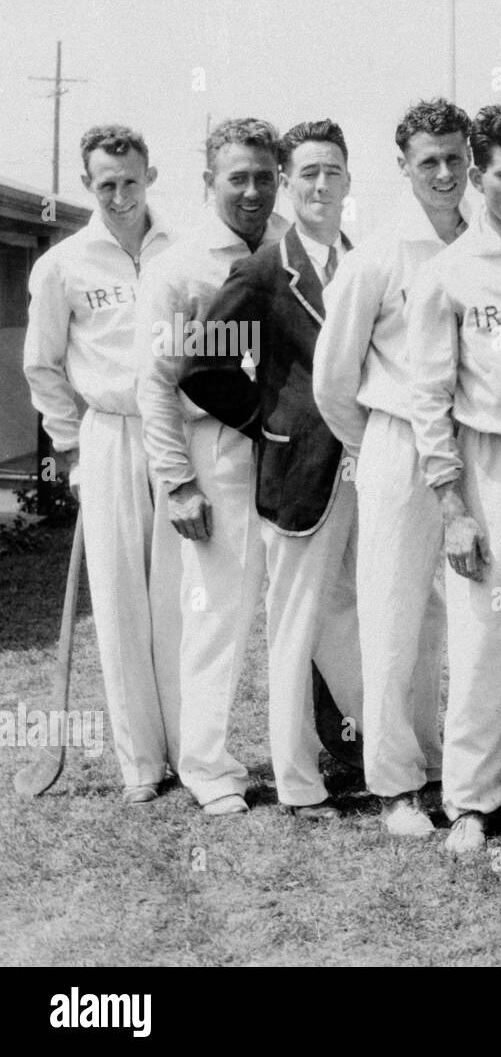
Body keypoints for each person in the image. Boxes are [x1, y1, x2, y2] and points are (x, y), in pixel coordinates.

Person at [178, 119, 362, 821]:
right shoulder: (262, 269)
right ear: (291, 180)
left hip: (362, 467)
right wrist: (268, 422)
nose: (320, 185)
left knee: (351, 618)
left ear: (349, 180)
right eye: (307, 172)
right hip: (297, 470)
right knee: (295, 626)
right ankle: (297, 781)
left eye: (333, 172)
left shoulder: (361, 258)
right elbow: (201, 367)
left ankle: (385, 746)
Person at [314, 99, 475, 837]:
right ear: (403, 167)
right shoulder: (377, 255)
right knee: (391, 614)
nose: (444, 172)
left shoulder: (485, 238)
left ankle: (441, 759)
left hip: (474, 444)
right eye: (428, 161)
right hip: (398, 443)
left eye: (454, 156)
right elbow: (332, 380)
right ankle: (395, 787)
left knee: (454, 615)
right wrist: (375, 444)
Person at [408, 104, 501, 854]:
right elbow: (427, 394)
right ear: (477, 176)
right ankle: (472, 797)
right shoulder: (449, 270)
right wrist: (451, 503)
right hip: (490, 462)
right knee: (483, 634)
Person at [135, 117, 291, 816]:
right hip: (217, 448)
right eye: (238, 177)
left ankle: (311, 752)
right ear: (209, 182)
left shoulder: (297, 245)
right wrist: (177, 482)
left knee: (303, 603)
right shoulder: (179, 261)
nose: (253, 190)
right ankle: (208, 766)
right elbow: (156, 382)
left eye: (264, 175)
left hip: (291, 448)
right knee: (218, 612)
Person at [23, 124, 180, 803]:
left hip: (177, 430)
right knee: (118, 598)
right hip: (110, 432)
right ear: (89, 186)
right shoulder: (63, 263)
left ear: (151, 177)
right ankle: (140, 760)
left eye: (130, 181)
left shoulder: (180, 251)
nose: (119, 195)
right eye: (106, 184)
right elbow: (42, 364)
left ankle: (190, 749)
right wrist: (70, 447)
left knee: (178, 595)